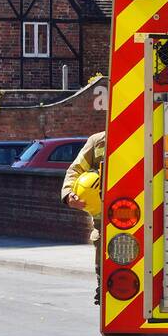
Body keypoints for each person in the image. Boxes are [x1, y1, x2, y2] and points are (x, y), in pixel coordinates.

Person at [61, 131, 107, 308]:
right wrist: (68, 193)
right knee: (104, 252)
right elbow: (76, 169)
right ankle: (103, 287)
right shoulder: (98, 141)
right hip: (106, 220)